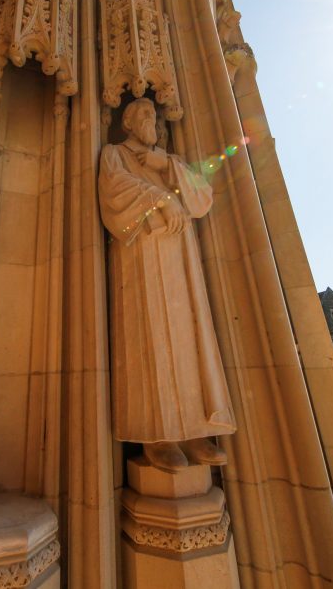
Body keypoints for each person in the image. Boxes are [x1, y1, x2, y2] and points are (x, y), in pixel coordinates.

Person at [98, 97, 236, 473]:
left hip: (181, 258)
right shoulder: (115, 154)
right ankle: (158, 435)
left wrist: (168, 167)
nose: (153, 120)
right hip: (141, 257)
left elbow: (202, 200)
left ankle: (194, 430)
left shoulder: (169, 161)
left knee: (188, 337)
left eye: (155, 116)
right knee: (151, 335)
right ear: (127, 121)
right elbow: (113, 189)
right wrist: (159, 198)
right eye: (144, 114)